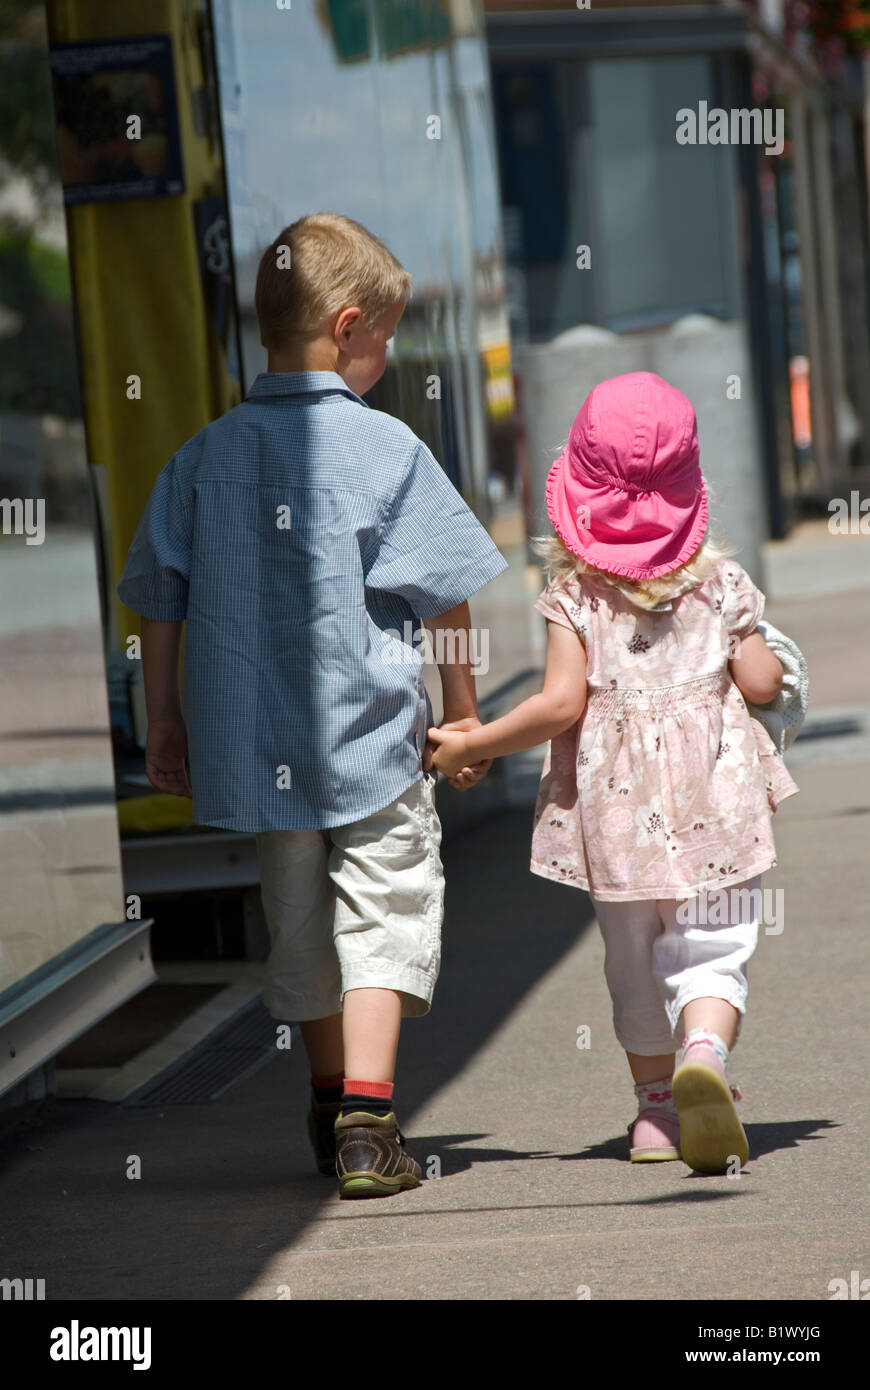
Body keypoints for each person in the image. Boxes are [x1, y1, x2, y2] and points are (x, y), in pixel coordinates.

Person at [118, 212, 506, 1198]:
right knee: (384, 913)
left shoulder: (201, 457)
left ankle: (329, 1102)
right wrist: (462, 711)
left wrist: (163, 718)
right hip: (373, 745)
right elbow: (447, 591)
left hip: (258, 757)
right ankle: (371, 1121)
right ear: (345, 328)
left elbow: (158, 597)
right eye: (385, 337)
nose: (387, 356)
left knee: (299, 932)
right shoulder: (387, 450)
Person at [428, 371, 799, 1174]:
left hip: (619, 818)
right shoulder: (720, 585)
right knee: (713, 946)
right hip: (719, 808)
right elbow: (765, 683)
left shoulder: (576, 596)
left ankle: (656, 1116)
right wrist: (758, 656)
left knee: (631, 957)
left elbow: (561, 704)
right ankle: (705, 1048)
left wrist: (475, 742)